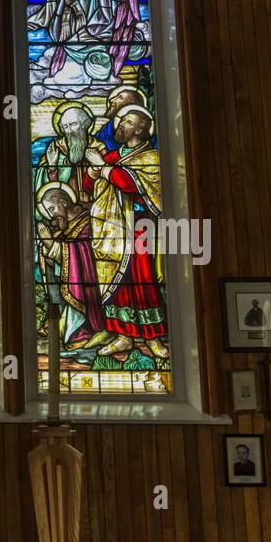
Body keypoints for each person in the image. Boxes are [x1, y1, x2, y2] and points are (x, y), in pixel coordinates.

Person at [85, 105, 167, 359]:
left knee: (143, 279)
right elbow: (90, 186)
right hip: (113, 229)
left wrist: (104, 168)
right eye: (121, 121)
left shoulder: (151, 158)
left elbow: (130, 184)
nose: (121, 125)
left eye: (128, 122)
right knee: (117, 281)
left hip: (140, 227)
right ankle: (124, 335)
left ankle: (153, 337)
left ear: (141, 129)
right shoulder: (113, 156)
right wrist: (92, 170)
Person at [36, 182, 105, 349]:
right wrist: (48, 248)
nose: (52, 216)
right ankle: (63, 324)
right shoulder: (65, 227)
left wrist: (53, 246)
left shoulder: (89, 222)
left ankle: (87, 329)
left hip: (92, 290)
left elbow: (86, 254)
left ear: (63, 203)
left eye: (52, 209)